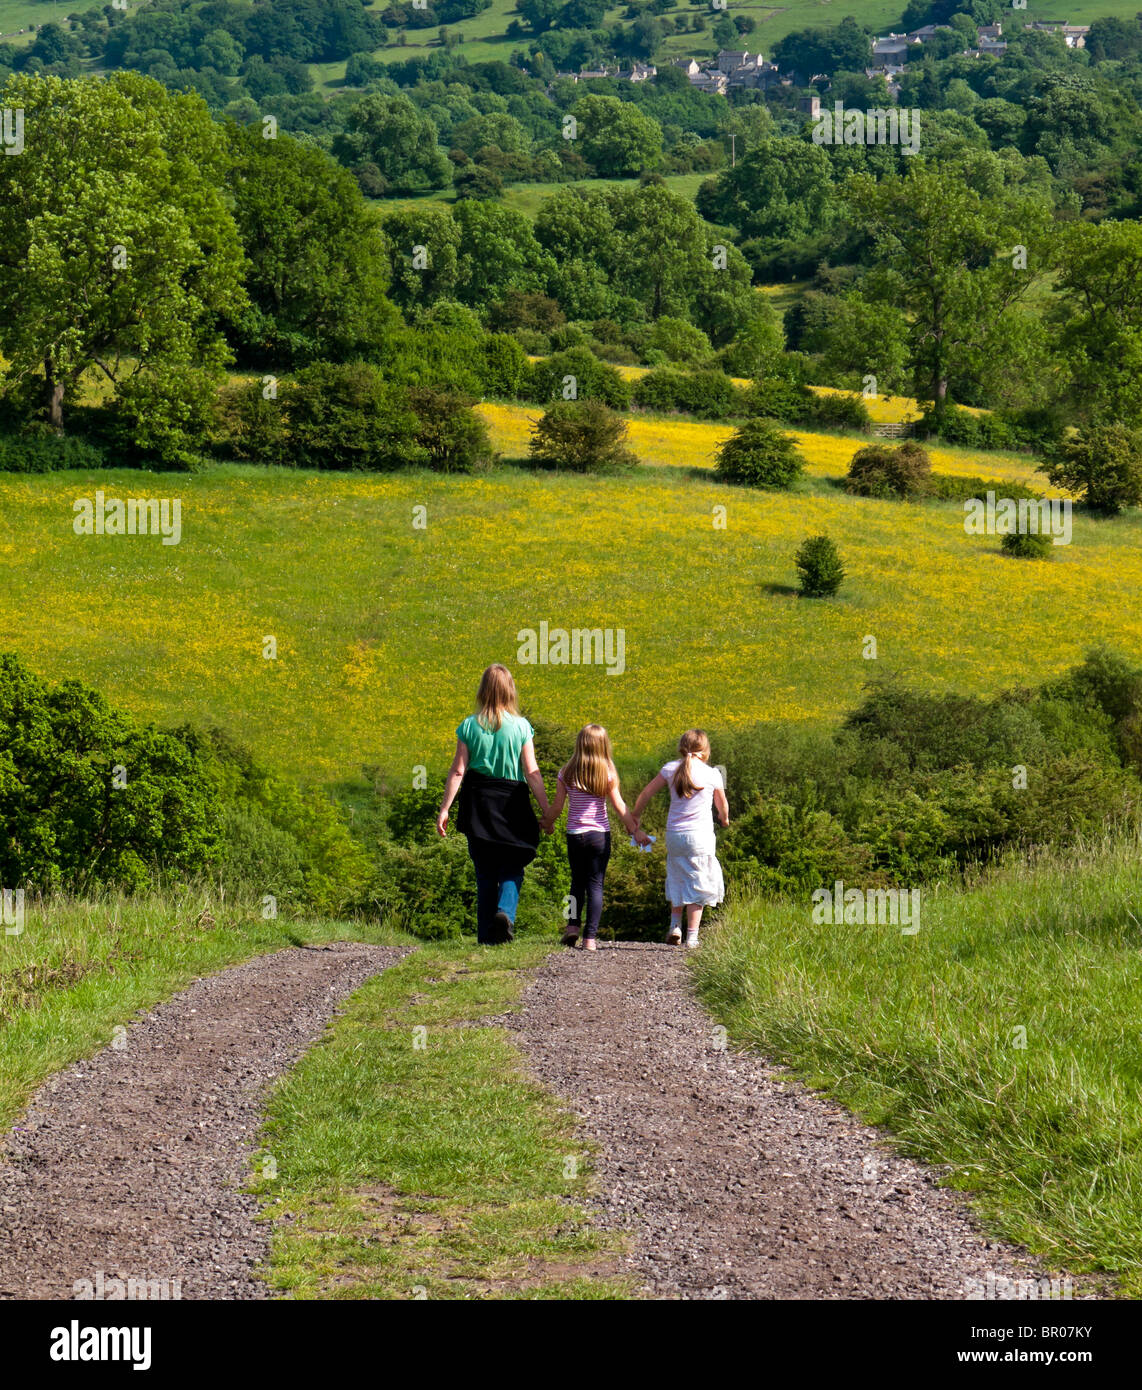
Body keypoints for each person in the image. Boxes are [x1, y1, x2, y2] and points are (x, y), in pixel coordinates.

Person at [436, 664, 552, 944]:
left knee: (485, 872)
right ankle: (505, 912)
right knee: (514, 863)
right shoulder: (522, 727)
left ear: (483, 689)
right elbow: (532, 772)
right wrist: (547, 811)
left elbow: (458, 771)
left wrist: (445, 808)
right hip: (512, 804)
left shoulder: (468, 725)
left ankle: (486, 938)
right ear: (510, 690)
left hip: (478, 804)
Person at [542, 724, 638, 952]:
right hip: (599, 836)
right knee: (595, 885)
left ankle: (571, 927)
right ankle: (590, 939)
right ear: (604, 746)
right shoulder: (607, 773)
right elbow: (618, 805)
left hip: (575, 836)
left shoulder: (567, 772)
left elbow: (557, 807)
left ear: (579, 743)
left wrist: (547, 822)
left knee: (575, 883)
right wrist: (634, 828)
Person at [630, 729, 728, 948]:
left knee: (677, 876)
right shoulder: (713, 774)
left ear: (681, 748)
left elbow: (645, 793)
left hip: (674, 836)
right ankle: (692, 937)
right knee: (699, 882)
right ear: (705, 750)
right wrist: (724, 819)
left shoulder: (669, 769)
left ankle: (675, 926)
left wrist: (635, 816)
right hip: (700, 836)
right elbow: (722, 804)